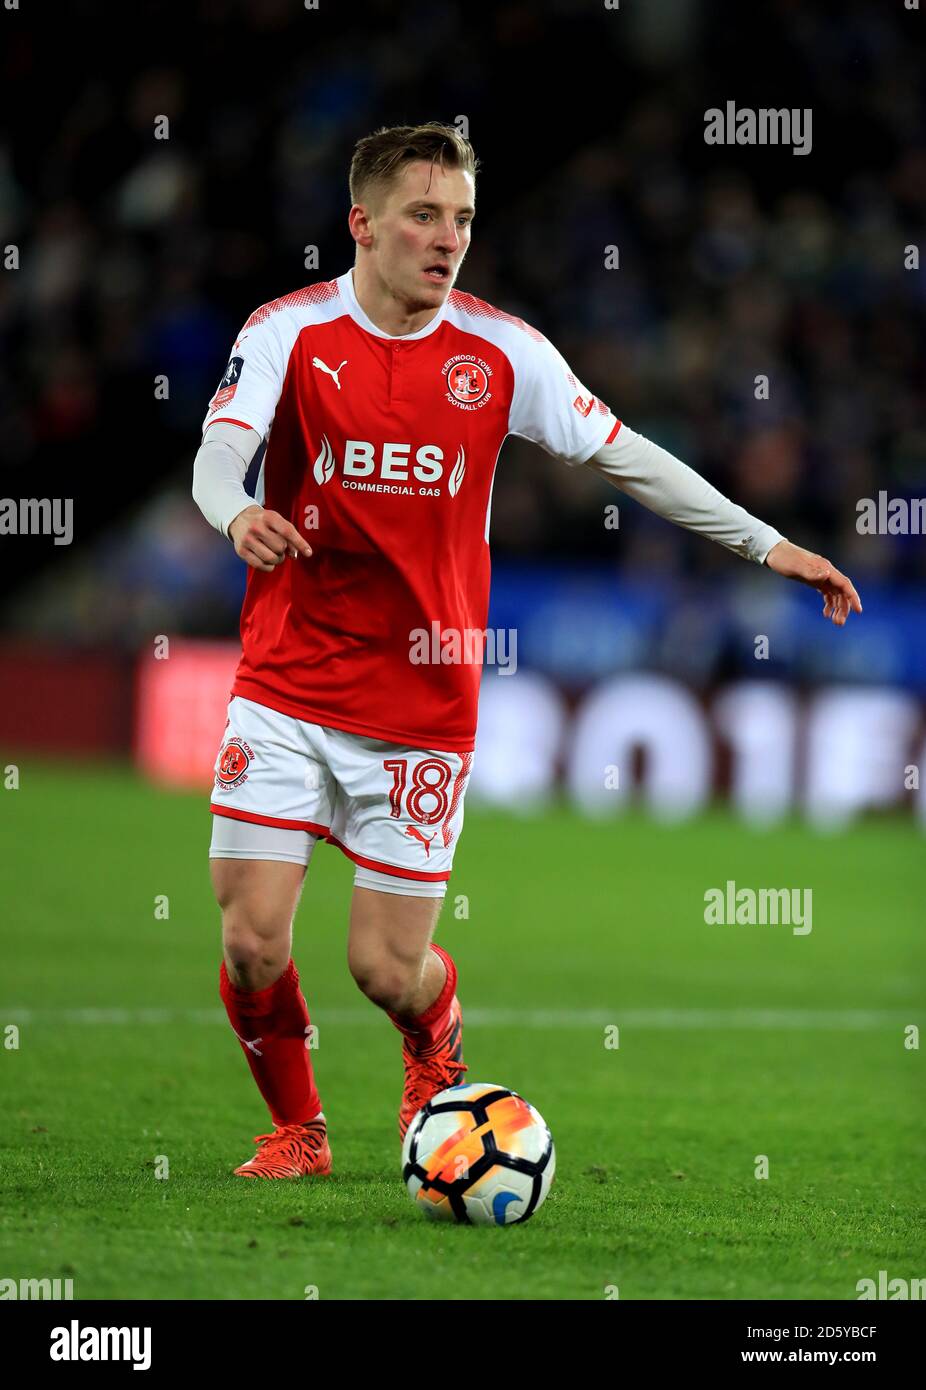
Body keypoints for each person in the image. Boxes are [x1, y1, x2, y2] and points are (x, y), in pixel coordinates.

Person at [192, 121, 861, 1179]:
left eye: (459, 217)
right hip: (284, 683)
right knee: (250, 939)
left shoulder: (502, 353)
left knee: (383, 967)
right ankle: (299, 1131)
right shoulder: (288, 332)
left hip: (420, 704)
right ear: (360, 225)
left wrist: (767, 543)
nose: (445, 236)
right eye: (422, 214)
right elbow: (219, 452)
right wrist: (234, 514)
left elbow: (628, 457)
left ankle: (433, 1037)